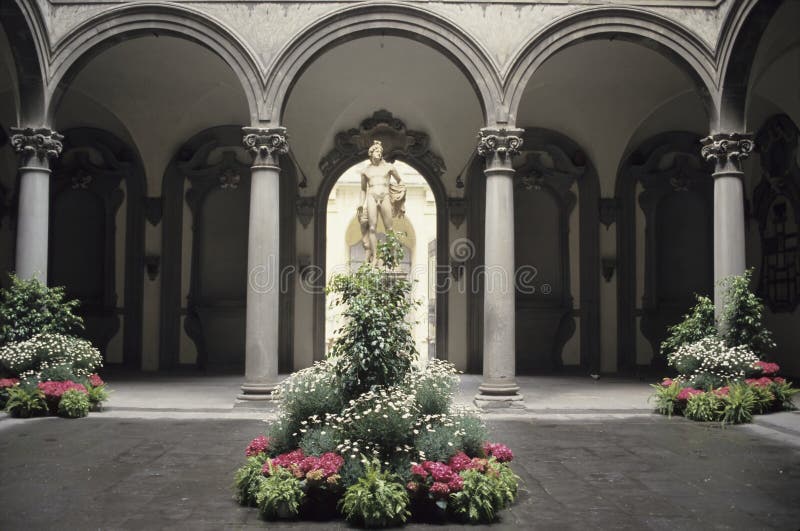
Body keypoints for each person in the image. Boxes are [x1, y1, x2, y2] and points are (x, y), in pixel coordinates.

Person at [359, 140, 405, 263]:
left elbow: (400, 181)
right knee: (372, 228)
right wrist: (360, 204)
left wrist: (400, 192)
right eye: (376, 151)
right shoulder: (365, 171)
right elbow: (363, 189)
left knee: (389, 228)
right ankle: (374, 257)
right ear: (371, 153)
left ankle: (392, 258)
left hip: (385, 195)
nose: (379, 153)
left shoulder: (389, 167)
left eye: (380, 152)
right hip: (371, 196)